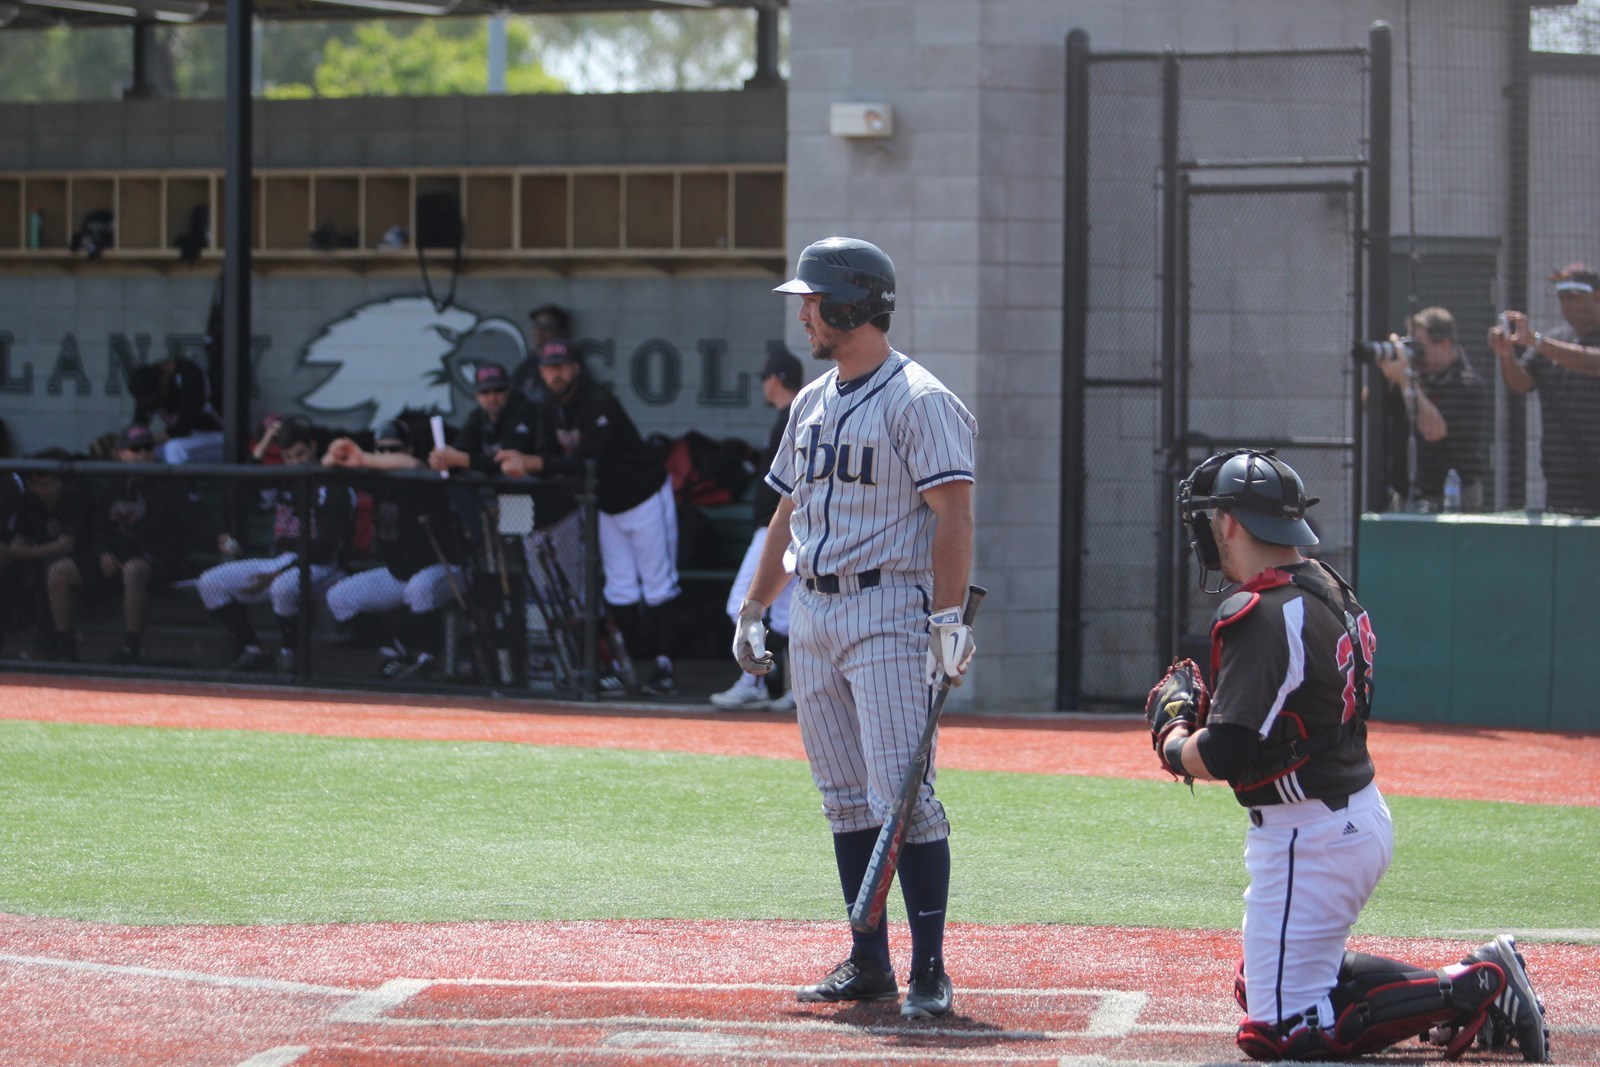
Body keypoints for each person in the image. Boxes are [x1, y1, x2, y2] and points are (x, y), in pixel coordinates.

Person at [1153, 448, 1549, 1062]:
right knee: (1261, 985)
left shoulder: (1259, 611)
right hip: (1347, 816)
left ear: (1229, 523)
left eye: (1211, 518)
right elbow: (1288, 719)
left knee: (1281, 1030)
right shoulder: (1325, 584)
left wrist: (1173, 738)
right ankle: (1473, 981)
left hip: (1309, 836)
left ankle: (1475, 988)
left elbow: (1229, 751)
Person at [734, 236, 977, 1019]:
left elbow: (953, 513)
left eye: (812, 299)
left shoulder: (921, 398)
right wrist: (755, 605)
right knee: (845, 797)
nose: (802, 313)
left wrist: (946, 619)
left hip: (889, 610)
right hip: (816, 607)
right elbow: (787, 511)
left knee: (905, 795)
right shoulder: (811, 399)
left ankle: (931, 969)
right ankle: (867, 960)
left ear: (849, 304)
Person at [503, 340, 682, 694]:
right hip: (606, 505)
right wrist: (524, 462)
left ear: (575, 369)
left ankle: (665, 670)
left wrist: (536, 463)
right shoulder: (550, 408)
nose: (556, 374)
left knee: (658, 585)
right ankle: (627, 667)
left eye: (562, 367)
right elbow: (548, 455)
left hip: (644, 496)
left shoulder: (599, 401)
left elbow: (589, 459)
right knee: (619, 588)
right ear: (541, 372)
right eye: (549, 368)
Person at [196, 419, 354, 673]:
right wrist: (264, 445)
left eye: (301, 454)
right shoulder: (284, 479)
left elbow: (324, 549)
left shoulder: (331, 485)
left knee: (283, 586)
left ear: (314, 448)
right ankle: (252, 648)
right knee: (210, 582)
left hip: (326, 566)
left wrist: (273, 575)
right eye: (288, 457)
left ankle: (291, 653)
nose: (295, 462)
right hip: (282, 561)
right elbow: (240, 487)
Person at [43, 423, 194, 665]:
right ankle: (66, 648)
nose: (143, 455)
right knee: (59, 572)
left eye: (147, 449)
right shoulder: (111, 484)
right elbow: (97, 527)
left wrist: (131, 555)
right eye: (135, 450)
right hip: (111, 560)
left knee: (134, 569)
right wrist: (103, 552)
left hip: (152, 562)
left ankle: (131, 648)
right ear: (121, 454)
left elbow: (174, 535)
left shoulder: (169, 485)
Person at [323, 419, 461, 680]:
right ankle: (394, 651)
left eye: (394, 449)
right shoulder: (378, 479)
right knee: (340, 597)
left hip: (446, 571)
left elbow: (413, 464)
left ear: (408, 448)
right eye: (382, 450)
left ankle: (427, 659)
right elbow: (327, 466)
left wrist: (363, 457)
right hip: (399, 574)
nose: (387, 456)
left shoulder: (420, 473)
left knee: (419, 587)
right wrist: (336, 451)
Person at [709, 348, 804, 712]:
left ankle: (755, 682)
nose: (764, 384)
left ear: (775, 379)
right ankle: (790, 687)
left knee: (742, 603)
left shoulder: (791, 416)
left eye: (766, 378)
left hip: (777, 530)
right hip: (783, 528)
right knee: (785, 614)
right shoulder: (792, 415)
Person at [1489, 262, 1600, 515]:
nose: (1566, 306)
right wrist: (1506, 356)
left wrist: (1536, 341)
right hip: (1562, 469)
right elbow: (1522, 382)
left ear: (1597, 297)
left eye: (1573, 298)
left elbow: (1593, 362)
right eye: (1562, 299)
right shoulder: (1555, 339)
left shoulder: (1545, 343)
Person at [1372, 307, 1491, 511]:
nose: (1415, 354)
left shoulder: (1468, 383)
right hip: (1406, 496)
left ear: (1444, 345)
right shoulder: (1412, 378)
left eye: (1419, 347)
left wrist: (1405, 379)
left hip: (1452, 499)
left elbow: (1433, 430)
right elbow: (1368, 406)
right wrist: (1384, 370)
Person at [0, 450, 91, 660]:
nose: (53, 488)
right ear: (32, 486)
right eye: (45, 484)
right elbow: (21, 539)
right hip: (37, 561)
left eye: (54, 482)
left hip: (83, 561)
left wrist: (17, 552)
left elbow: (66, 545)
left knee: (52, 570)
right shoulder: (30, 502)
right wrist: (6, 554)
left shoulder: (75, 497)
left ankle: (57, 647)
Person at [429, 363, 538, 478]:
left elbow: (507, 459)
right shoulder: (477, 416)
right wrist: (442, 459)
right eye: (485, 392)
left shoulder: (524, 412)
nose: (492, 398)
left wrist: (461, 460)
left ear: (508, 391)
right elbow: (462, 448)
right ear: (477, 395)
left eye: (498, 390)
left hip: (530, 488)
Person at [128, 355, 225, 465]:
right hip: (191, 439)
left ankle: (177, 483)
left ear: (162, 382)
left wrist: (143, 441)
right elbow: (139, 424)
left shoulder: (188, 375)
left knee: (174, 449)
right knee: (140, 452)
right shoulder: (148, 390)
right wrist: (125, 444)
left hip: (219, 437)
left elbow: (182, 428)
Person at [511, 303, 572, 402]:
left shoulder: (572, 363)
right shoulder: (526, 367)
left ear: (561, 332)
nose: (540, 331)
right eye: (537, 325)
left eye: (547, 326)